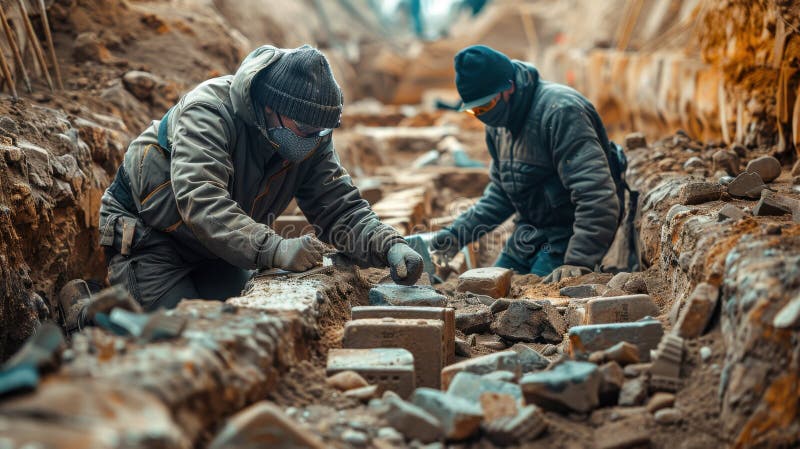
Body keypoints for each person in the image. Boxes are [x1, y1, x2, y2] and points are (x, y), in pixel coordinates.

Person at [97, 44, 423, 311]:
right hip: (150, 236)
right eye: (306, 130)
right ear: (271, 109)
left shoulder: (310, 136)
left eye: (323, 131)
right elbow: (202, 202)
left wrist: (389, 244)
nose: (315, 139)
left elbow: (339, 207)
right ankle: (86, 313)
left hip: (217, 246)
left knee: (238, 318)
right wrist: (275, 248)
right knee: (179, 333)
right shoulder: (209, 111)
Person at [431, 45, 620, 283]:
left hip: (568, 234)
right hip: (529, 231)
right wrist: (456, 234)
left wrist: (579, 261)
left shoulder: (561, 112)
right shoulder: (498, 126)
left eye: (485, 106)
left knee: (530, 306)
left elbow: (597, 196)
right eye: (473, 111)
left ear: (508, 86)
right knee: (483, 289)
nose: (482, 116)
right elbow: (502, 193)